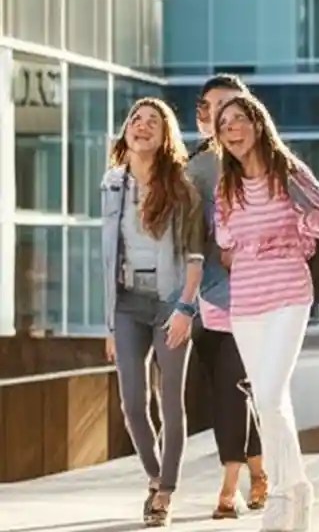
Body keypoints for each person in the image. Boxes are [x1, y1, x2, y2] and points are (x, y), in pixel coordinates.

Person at [214, 92, 319, 532]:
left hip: (289, 293)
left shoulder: (290, 172)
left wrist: (295, 231)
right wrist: (251, 249)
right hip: (246, 301)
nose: (230, 129)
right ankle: (299, 489)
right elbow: (226, 243)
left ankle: (283, 496)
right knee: (272, 401)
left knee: (267, 395)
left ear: (257, 122)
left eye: (237, 120)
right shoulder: (225, 186)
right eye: (222, 124)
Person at [101, 98, 205, 527]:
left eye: (152, 123)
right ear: (126, 131)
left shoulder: (182, 187)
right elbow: (107, 255)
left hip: (170, 301)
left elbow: (196, 259)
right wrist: (109, 323)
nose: (142, 127)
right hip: (126, 303)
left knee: (171, 402)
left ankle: (165, 493)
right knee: (131, 403)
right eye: (135, 120)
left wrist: (185, 308)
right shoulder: (111, 184)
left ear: (165, 138)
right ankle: (153, 475)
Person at [186, 74, 269, 518]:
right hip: (210, 299)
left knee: (232, 393)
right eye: (213, 109)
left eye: (231, 108)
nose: (223, 118)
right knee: (232, 392)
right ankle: (259, 473)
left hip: (256, 298)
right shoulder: (196, 164)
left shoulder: (263, 161)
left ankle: (229, 487)